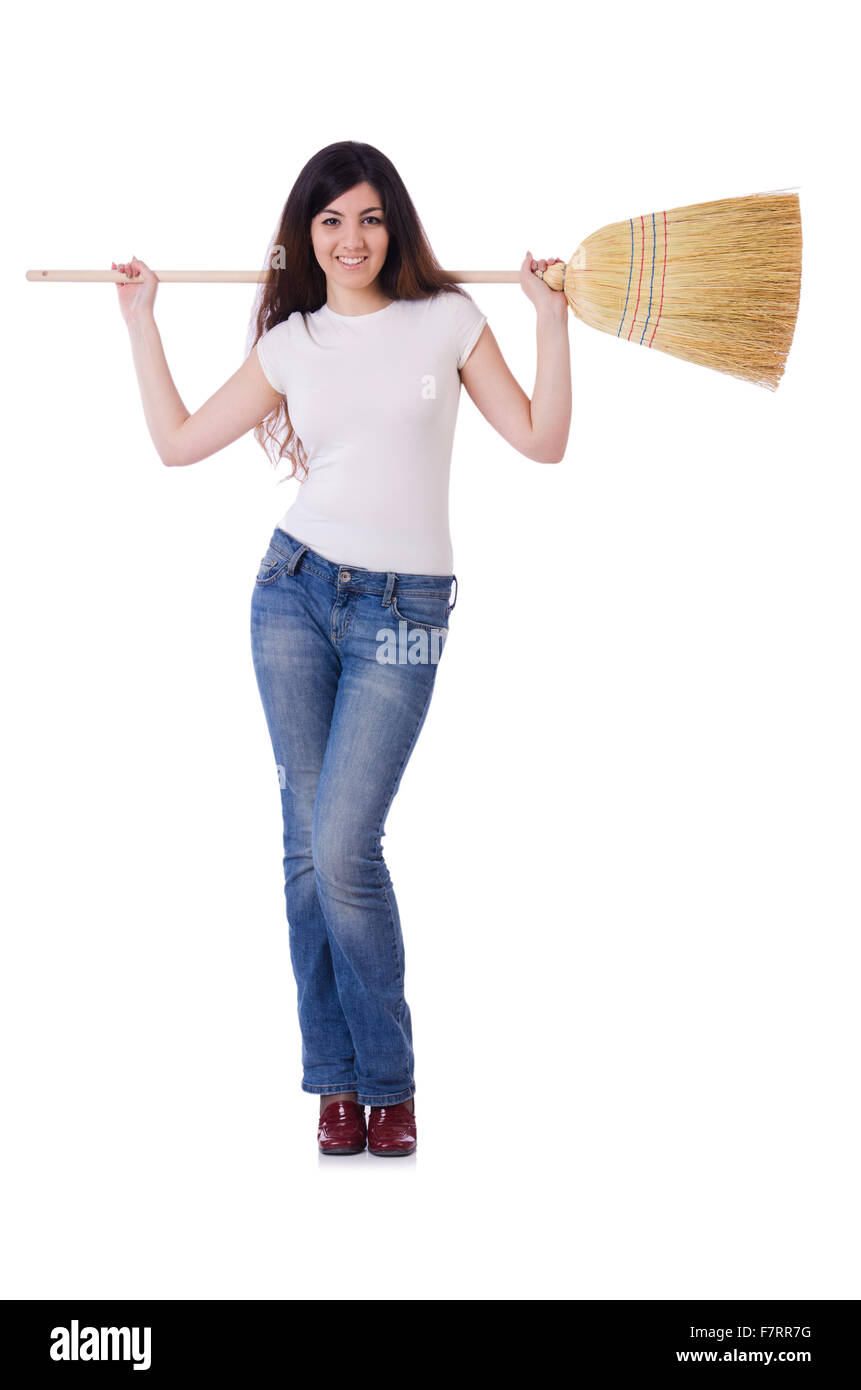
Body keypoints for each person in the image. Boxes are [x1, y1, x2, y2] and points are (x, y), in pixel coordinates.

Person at [113, 139, 571, 1158]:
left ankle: (390, 1082)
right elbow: (178, 442)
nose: (351, 238)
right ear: (305, 236)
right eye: (330, 221)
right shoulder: (291, 345)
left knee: (343, 845)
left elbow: (542, 439)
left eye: (367, 217)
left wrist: (550, 322)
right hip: (293, 593)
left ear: (392, 226)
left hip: (406, 608)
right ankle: (337, 1082)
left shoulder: (448, 320)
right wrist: (141, 325)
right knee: (303, 850)